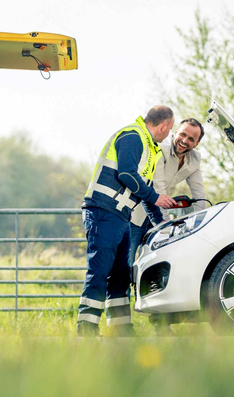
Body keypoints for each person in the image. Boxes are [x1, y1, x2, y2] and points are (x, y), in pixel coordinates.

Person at [77, 106, 176, 337]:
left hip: (120, 217)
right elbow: (127, 175)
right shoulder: (133, 136)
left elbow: (146, 191)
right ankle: (86, 332)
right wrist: (155, 197)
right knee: (100, 271)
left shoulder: (150, 148)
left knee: (121, 274)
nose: (168, 134)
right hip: (103, 212)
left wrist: (161, 224)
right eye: (170, 129)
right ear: (163, 126)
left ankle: (121, 331)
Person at [129, 118, 208, 258]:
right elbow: (157, 186)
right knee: (125, 264)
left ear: (197, 143)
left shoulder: (195, 159)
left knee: (154, 264)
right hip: (137, 213)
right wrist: (164, 224)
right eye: (182, 134)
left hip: (160, 217)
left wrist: (200, 224)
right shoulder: (160, 148)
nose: (184, 141)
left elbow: (199, 193)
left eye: (191, 139)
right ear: (176, 132)